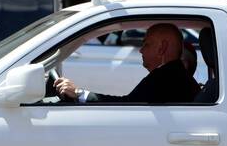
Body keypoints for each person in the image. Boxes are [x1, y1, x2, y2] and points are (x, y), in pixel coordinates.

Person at [52, 23, 199, 104]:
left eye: (146, 44)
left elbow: (127, 106)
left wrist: (79, 93)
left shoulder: (167, 78)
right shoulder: (172, 74)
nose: (141, 50)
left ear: (162, 48)